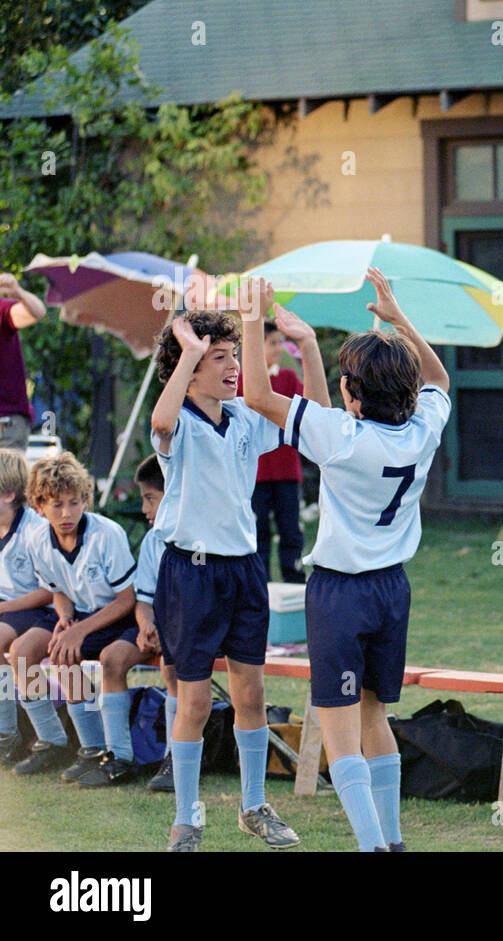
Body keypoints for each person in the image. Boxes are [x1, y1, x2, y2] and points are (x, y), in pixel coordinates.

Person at [240, 270, 450, 852]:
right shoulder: (422, 429)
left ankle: (371, 846)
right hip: (392, 591)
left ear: (353, 394)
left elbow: (257, 398)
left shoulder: (343, 437)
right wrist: (397, 321)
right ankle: (393, 842)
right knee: (373, 717)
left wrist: (252, 319)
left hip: (341, 594)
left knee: (339, 731)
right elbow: (438, 378)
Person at [148, 303, 324, 851]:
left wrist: (309, 345)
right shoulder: (178, 421)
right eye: (219, 358)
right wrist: (189, 352)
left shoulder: (246, 416)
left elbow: (316, 416)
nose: (233, 367)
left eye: (232, 356)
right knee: (195, 703)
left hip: (245, 571)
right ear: (189, 368)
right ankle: (186, 818)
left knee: (252, 694)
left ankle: (253, 807)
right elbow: (160, 423)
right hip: (191, 573)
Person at [9, 453, 147, 785]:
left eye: (74, 502)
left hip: (120, 616)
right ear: (39, 507)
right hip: (81, 614)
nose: (67, 513)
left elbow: (127, 599)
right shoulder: (39, 540)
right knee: (24, 653)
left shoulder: (107, 534)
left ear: (85, 500)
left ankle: (119, 757)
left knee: (108, 659)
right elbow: (57, 589)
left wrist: (79, 630)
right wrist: (67, 619)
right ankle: (66, 744)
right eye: (56, 505)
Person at [238, 320, 306, 583]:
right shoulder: (242, 382)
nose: (279, 348)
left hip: (287, 470)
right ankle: (260, 583)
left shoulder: (288, 378)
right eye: (273, 343)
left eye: (281, 343)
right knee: (258, 532)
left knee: (291, 530)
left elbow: (304, 413)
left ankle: (295, 582)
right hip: (255, 474)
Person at [0, 449, 57, 766]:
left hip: (44, 610)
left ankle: (48, 738)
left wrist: (6, 606)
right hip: (12, 609)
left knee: (20, 651)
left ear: (9, 494)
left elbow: (49, 591)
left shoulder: (35, 530)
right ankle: (7, 733)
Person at [132, 453, 180, 791]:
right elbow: (144, 600)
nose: (144, 509)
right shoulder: (152, 541)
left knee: (172, 665)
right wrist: (146, 626)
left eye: (151, 498)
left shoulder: (197, 535)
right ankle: (118, 754)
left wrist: (168, 630)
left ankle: (176, 756)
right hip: (169, 632)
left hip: (203, 630)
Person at [0, 272, 47, 452]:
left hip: (7, 425)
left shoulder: (2, 311)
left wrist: (17, 292)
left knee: (8, 471)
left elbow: (38, 312)